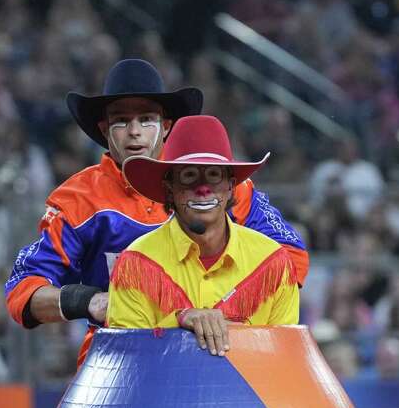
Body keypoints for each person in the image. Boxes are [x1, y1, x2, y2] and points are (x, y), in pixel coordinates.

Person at [4, 59, 309, 363]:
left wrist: (216, 316)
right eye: (121, 121)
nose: (134, 132)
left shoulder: (224, 186)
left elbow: (290, 260)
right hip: (118, 362)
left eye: (146, 119)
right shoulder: (76, 201)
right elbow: (23, 290)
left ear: (166, 127)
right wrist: (91, 301)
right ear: (104, 129)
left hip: (227, 359)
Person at [107, 115, 298, 356]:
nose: (203, 188)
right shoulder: (134, 264)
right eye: (188, 176)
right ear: (169, 189)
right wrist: (180, 321)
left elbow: (284, 360)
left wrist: (235, 338)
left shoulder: (273, 262)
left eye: (213, 175)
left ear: (231, 186)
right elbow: (130, 363)